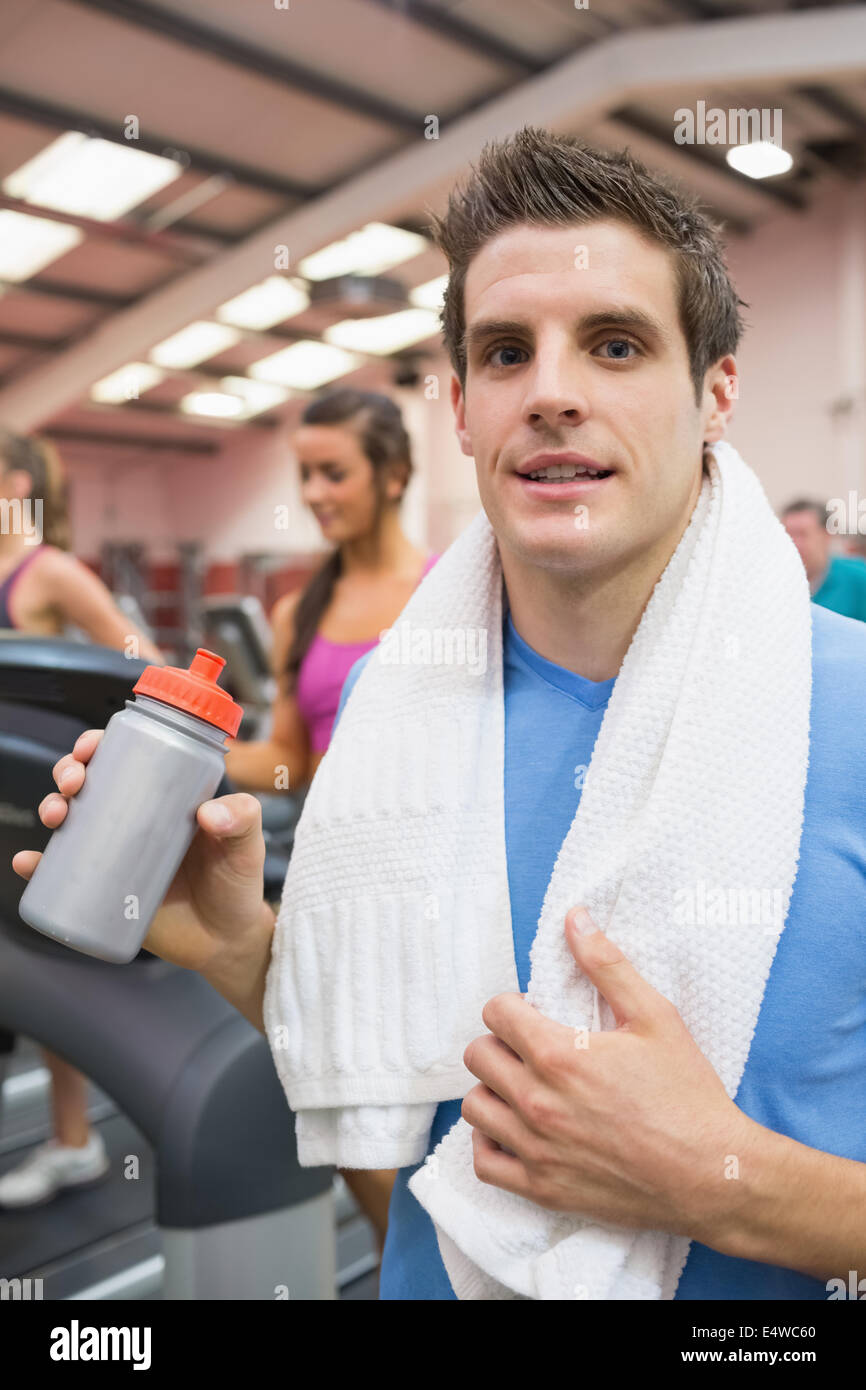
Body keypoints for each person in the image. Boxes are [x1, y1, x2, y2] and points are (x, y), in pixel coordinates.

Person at [13, 128, 866, 1300]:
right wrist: (241, 952)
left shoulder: (851, 709)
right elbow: (393, 1051)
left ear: (714, 390)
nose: (553, 393)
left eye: (614, 345)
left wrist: (713, 1179)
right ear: (460, 406)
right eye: (507, 352)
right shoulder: (393, 702)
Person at [223, 388, 438, 1254]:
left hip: (434, 888)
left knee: (443, 1123)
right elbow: (290, 762)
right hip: (336, 891)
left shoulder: (452, 587)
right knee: (341, 1111)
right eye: (304, 474)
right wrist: (179, 742)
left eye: (333, 472)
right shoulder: (295, 613)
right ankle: (411, 1267)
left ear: (391, 476)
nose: (313, 492)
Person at [0, 429, 164, 1209]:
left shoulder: (50, 572)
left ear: (15, 481)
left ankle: (74, 1140)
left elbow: (145, 666)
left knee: (41, 972)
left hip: (26, 805)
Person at [782, 497, 866, 621]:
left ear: (826, 535)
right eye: (788, 534)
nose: (794, 543)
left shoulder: (859, 579)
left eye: (802, 534)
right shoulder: (776, 585)